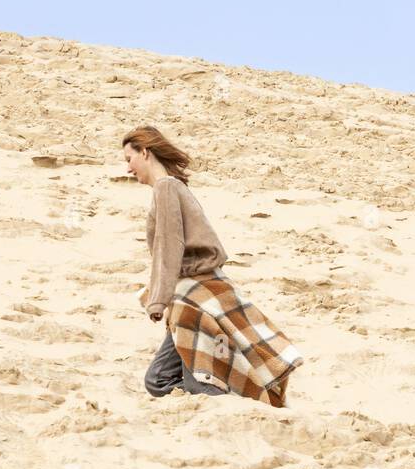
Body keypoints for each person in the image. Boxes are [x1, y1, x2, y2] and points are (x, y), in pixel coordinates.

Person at [123, 125, 302, 406]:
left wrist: (157, 300)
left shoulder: (166, 187)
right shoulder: (173, 187)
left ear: (145, 152)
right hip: (192, 295)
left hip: (197, 297)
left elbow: (169, 245)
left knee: (198, 383)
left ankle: (237, 409)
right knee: (158, 380)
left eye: (129, 160)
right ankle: (233, 404)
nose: (128, 169)